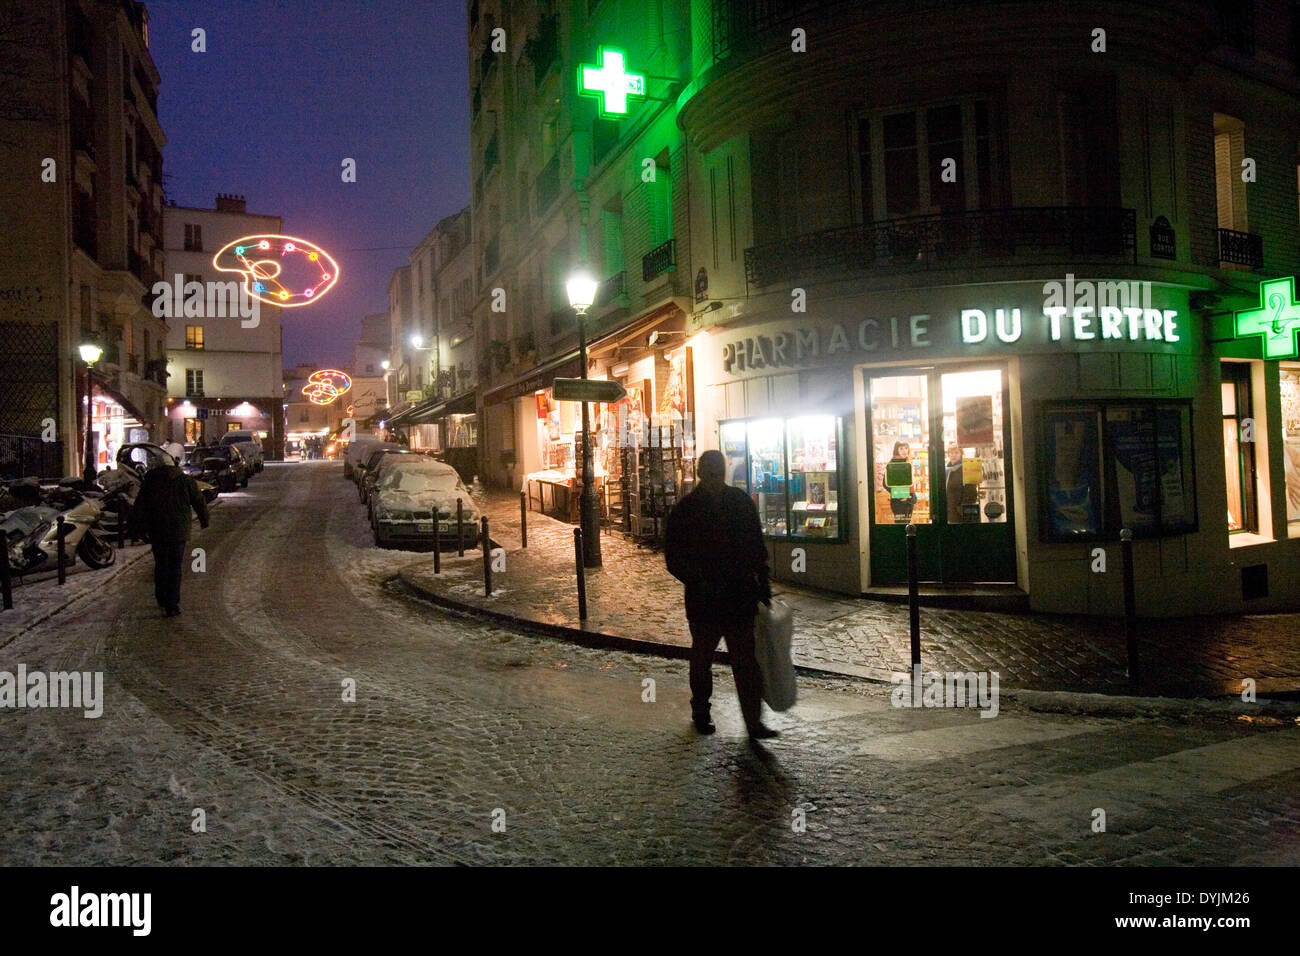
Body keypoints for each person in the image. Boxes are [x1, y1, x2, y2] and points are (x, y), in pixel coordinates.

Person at [665, 449, 777, 740]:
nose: (715, 478)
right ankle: (701, 710)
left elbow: (756, 547)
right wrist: (697, 580)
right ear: (701, 473)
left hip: (739, 596)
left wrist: (762, 586)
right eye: (710, 473)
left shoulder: (740, 502)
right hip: (706, 599)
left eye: (719, 473)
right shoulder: (687, 509)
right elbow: (674, 558)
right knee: (703, 657)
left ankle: (753, 722)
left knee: (746, 662)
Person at [132, 453, 209, 617]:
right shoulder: (185, 480)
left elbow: (140, 506)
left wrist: (138, 529)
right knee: (175, 567)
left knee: (161, 564)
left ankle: (161, 597)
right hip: (178, 531)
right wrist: (204, 519)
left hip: (157, 530)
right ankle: (172, 604)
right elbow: (198, 500)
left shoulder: (150, 482)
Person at [883, 440, 917, 524]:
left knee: (906, 525)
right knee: (901, 525)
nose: (904, 451)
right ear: (896, 450)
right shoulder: (893, 463)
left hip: (909, 499)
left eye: (906, 448)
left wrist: (912, 496)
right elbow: (885, 484)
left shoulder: (906, 461)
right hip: (900, 501)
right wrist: (900, 495)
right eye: (901, 448)